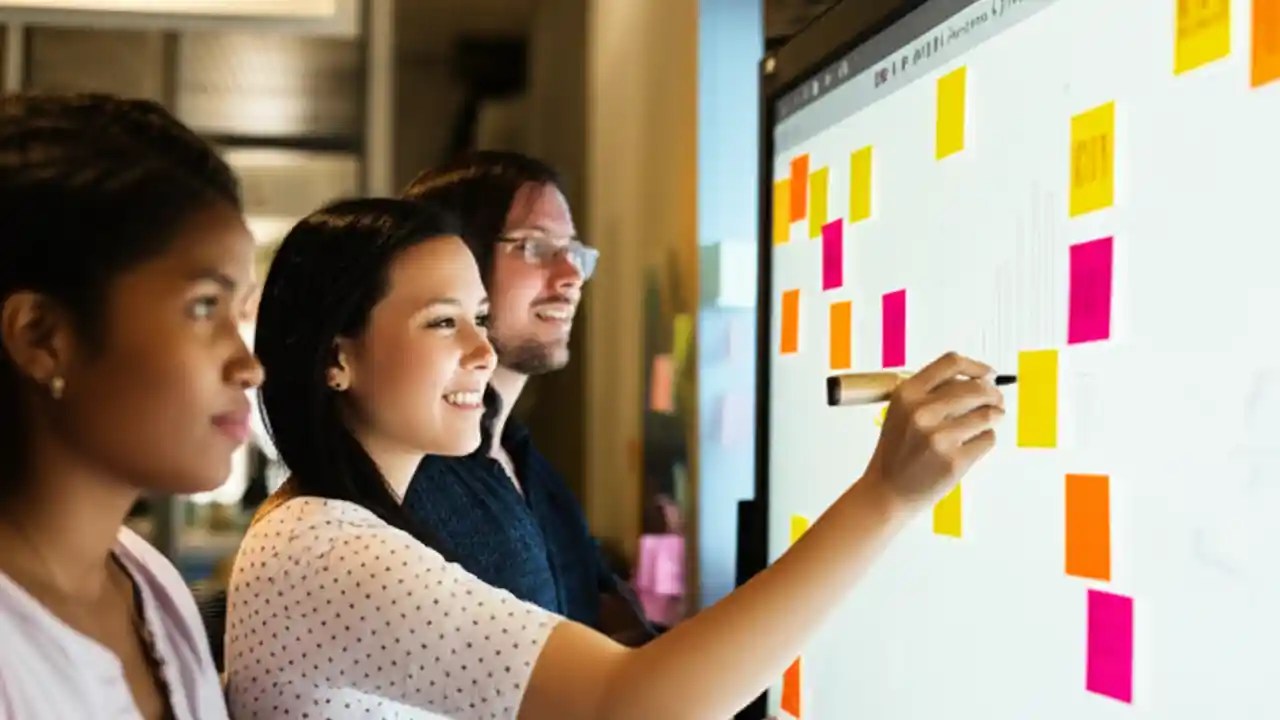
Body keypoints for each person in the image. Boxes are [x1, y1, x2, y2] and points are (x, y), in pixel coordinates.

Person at [223, 195, 1006, 718]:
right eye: (441, 323)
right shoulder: (319, 547)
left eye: (479, 317)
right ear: (337, 358)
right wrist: (886, 497)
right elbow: (632, 705)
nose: (481, 349)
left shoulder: (347, 525)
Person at [0, 93, 262, 719]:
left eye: (240, 312)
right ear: (43, 336)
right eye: (204, 307)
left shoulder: (151, 584)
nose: (248, 365)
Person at [398, 152, 652, 643]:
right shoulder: (414, 478)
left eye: (573, 252)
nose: (570, 277)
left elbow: (614, 630)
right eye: (535, 248)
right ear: (456, 259)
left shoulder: (527, 464)